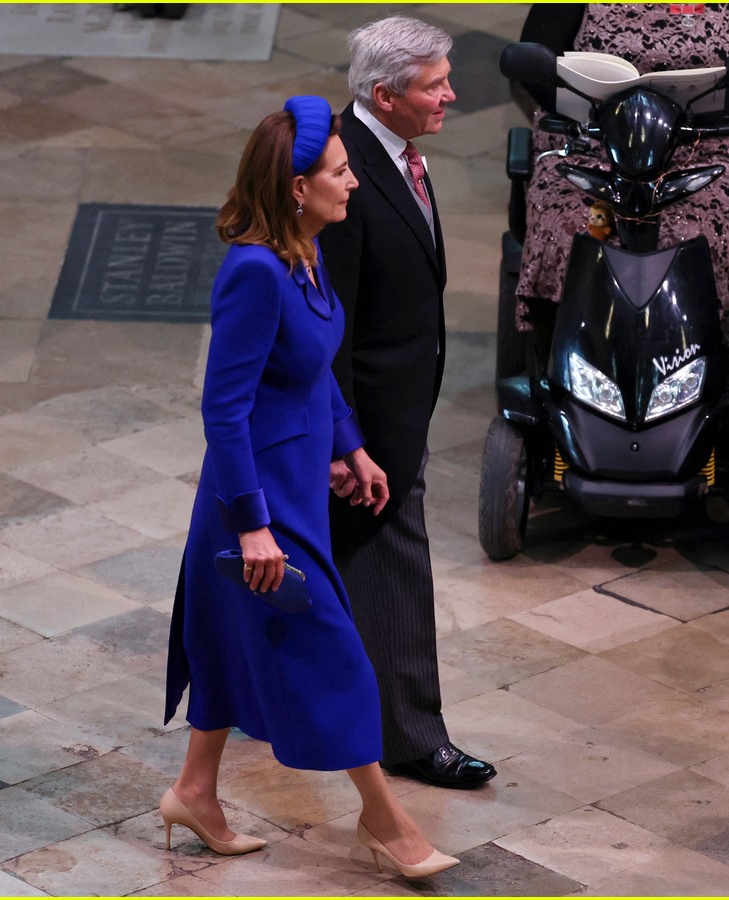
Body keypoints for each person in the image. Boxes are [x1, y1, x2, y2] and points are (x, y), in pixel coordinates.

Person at [161, 95, 458, 879]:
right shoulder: (255, 273)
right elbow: (222, 412)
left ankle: (194, 791)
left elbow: (313, 373)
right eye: (338, 171)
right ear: (297, 187)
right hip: (253, 504)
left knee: (228, 649)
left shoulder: (307, 251)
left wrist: (351, 448)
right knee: (339, 659)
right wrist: (253, 525)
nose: (354, 182)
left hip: (299, 489)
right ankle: (385, 822)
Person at [318, 16, 496, 790]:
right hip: (370, 422)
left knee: (331, 565)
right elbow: (333, 328)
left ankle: (272, 707)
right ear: (384, 96)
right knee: (393, 568)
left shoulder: (393, 156)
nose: (451, 94)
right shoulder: (341, 175)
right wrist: (345, 442)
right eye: (434, 86)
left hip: (395, 407)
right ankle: (414, 740)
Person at [511, 3, 729, 354]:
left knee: (695, 234)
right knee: (566, 227)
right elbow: (537, 63)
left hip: (699, 146)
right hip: (591, 143)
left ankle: (694, 363)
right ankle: (558, 361)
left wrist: (686, 119)